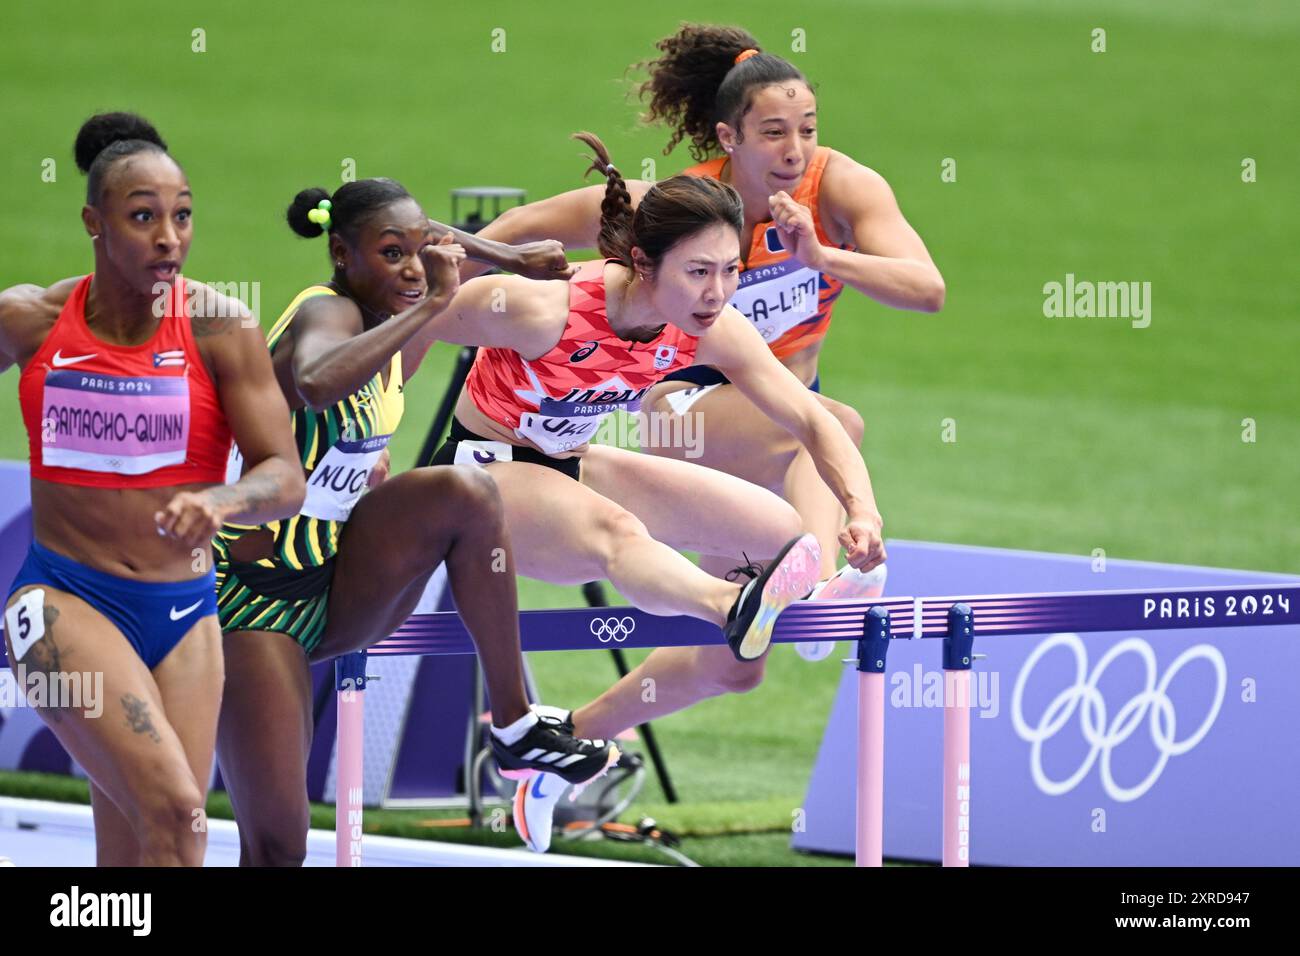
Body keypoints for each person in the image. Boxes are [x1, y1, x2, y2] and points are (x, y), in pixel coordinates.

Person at [425, 132, 888, 851]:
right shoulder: (539, 309)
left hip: (569, 460)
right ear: (642, 263)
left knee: (781, 533)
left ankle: (790, 590)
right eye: (700, 271)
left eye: (731, 271)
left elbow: (809, 418)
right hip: (478, 476)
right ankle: (730, 607)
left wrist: (861, 509)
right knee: (617, 534)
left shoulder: (706, 327)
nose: (719, 292)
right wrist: (363, 458)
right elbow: (409, 320)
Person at [464, 23, 945, 611]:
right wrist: (469, 273)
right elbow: (515, 231)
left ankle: (592, 704)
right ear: (729, 136)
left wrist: (822, 257)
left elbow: (928, 290)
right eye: (772, 133)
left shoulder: (836, 188)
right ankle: (817, 591)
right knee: (829, 426)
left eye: (808, 130)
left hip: (763, 418)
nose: (794, 150)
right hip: (681, 412)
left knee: (730, 660)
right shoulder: (671, 210)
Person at [213, 178, 616, 866]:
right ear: (340, 254)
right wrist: (433, 299)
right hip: (251, 602)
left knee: (466, 491)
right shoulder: (327, 313)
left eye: (417, 253)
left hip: (336, 585)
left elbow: (439, 242)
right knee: (278, 847)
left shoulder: (395, 310)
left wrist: (507, 257)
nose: (410, 268)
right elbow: (315, 381)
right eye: (389, 253)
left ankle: (515, 725)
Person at [0, 112, 306, 866]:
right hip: (63, 603)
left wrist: (222, 501)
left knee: (145, 851)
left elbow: (283, 475)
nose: (169, 237)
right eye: (143, 217)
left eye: (182, 215)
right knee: (176, 813)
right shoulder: (31, 321)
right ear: (93, 222)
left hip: (182, 615)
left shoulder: (219, 329)